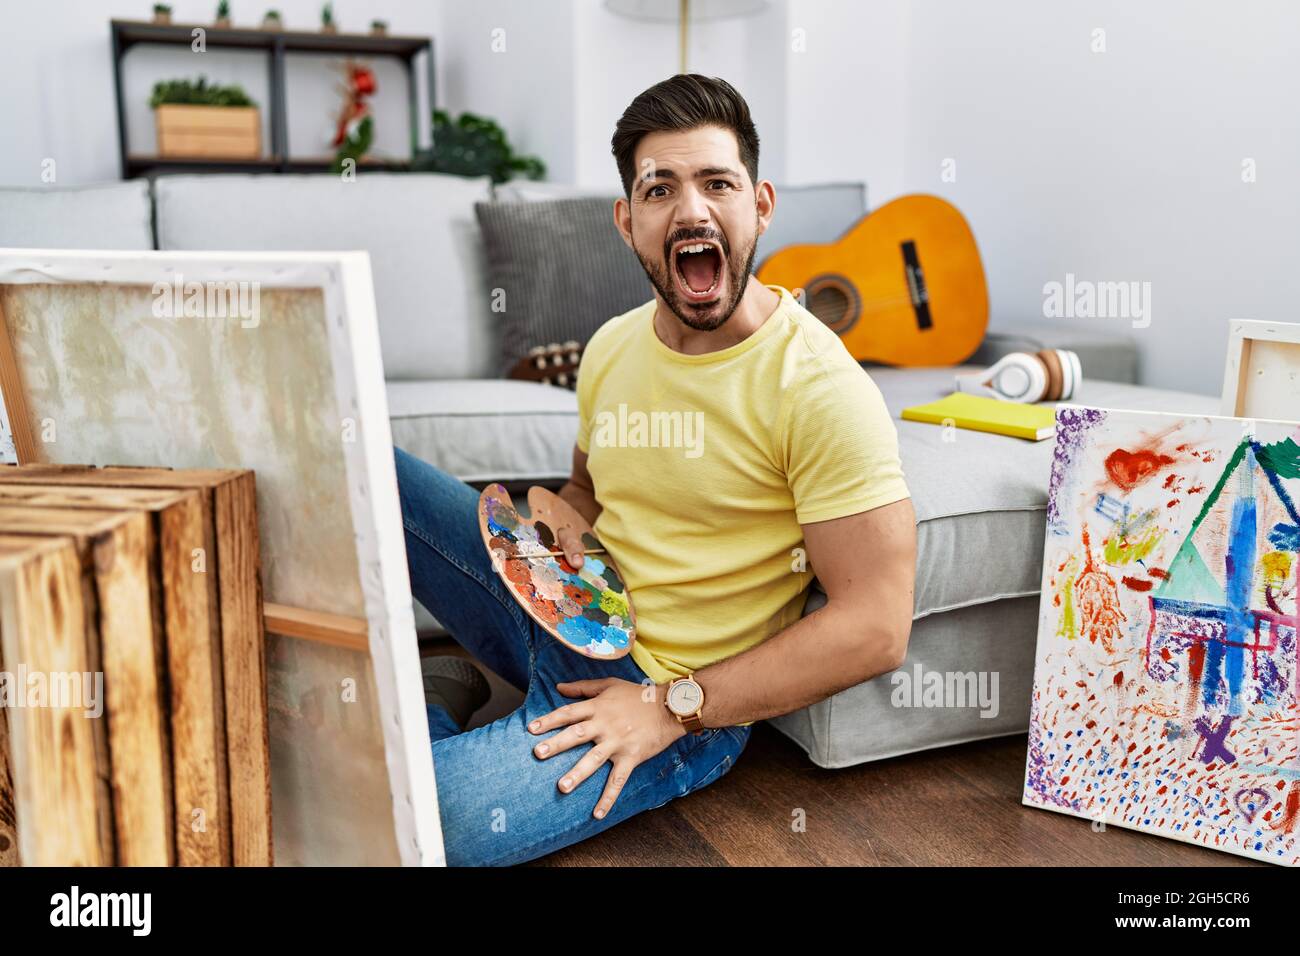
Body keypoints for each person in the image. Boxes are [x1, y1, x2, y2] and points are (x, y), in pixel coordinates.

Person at [396, 74, 917, 866]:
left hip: (674, 699)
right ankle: (452, 701)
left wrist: (671, 707)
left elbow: (877, 626)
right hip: (567, 611)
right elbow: (586, 492)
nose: (693, 210)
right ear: (628, 221)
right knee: (368, 469)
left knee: (427, 824)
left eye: (717, 183)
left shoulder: (820, 387)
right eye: (660, 188)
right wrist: (546, 540)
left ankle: (434, 698)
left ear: (760, 205)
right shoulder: (609, 346)